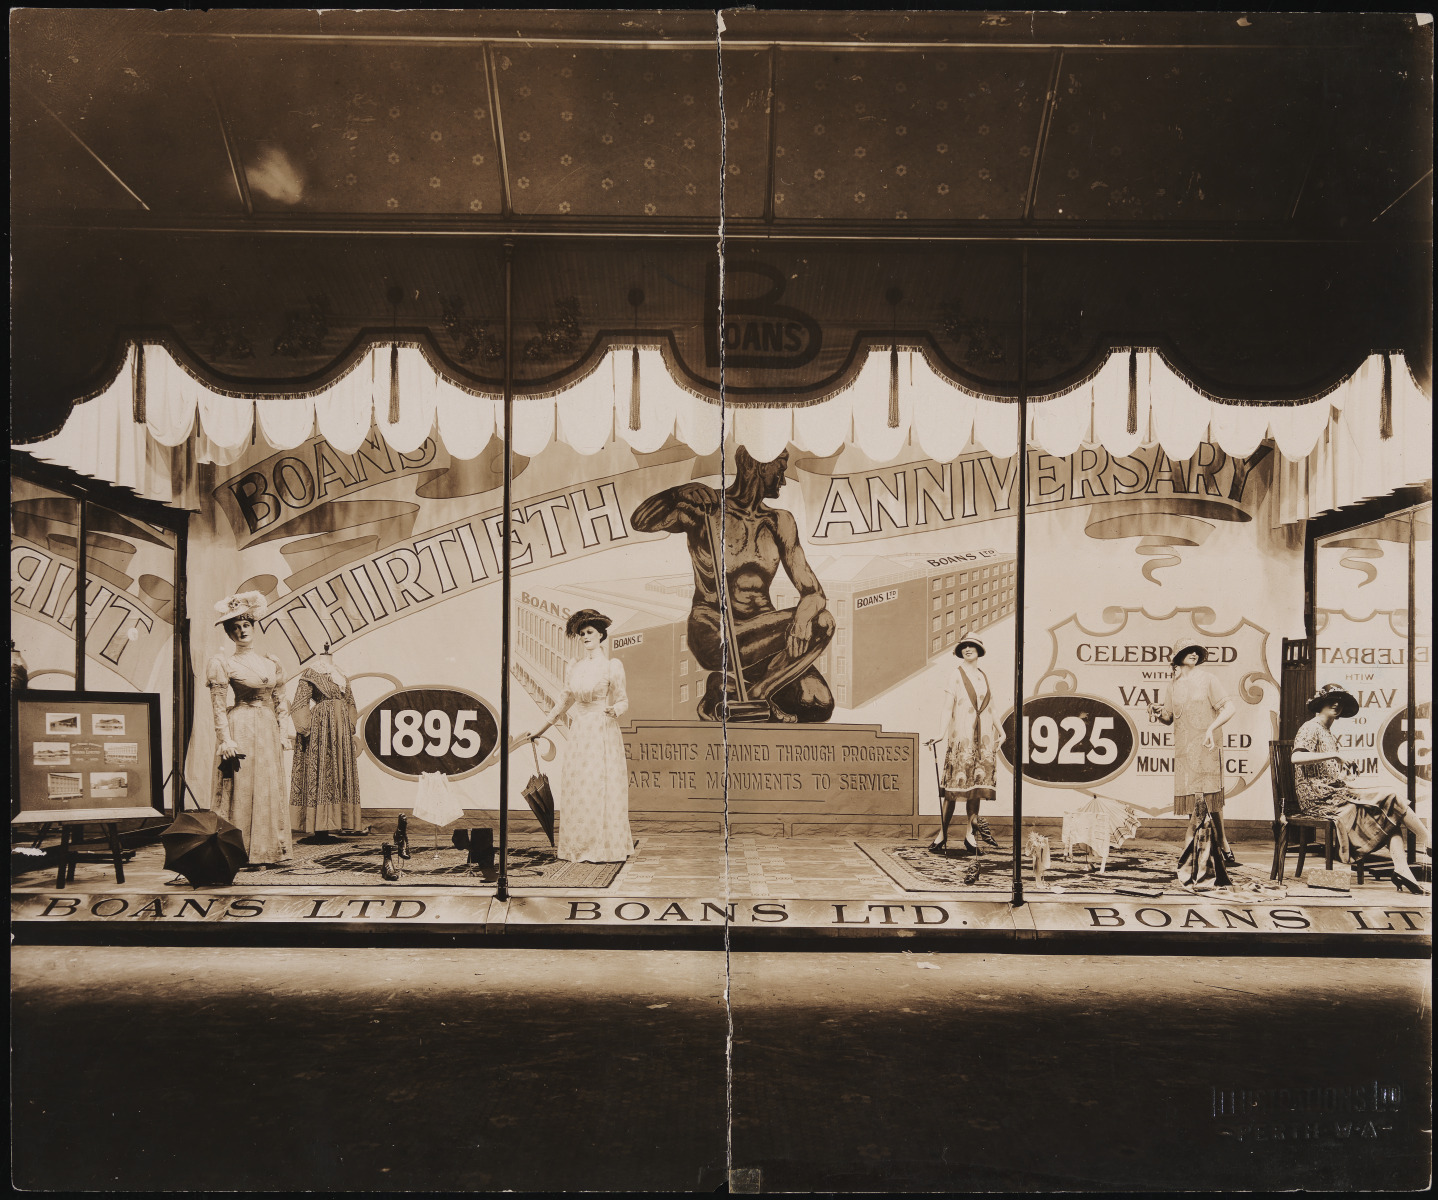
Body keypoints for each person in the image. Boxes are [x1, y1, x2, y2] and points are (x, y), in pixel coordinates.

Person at [632, 447, 835, 723]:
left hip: (761, 639)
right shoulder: (706, 509)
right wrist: (676, 494)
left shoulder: (780, 522)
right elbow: (641, 522)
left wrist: (800, 621)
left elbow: (813, 592)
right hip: (715, 631)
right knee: (823, 623)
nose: (784, 480)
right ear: (761, 465)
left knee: (817, 702)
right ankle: (755, 696)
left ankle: (742, 692)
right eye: (781, 468)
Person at [1292, 683, 1431, 894]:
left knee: (1389, 811)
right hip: (1318, 800)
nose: (1337, 703)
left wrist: (1343, 772)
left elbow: (1325, 770)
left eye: (1341, 701)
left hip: (1333, 794)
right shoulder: (1311, 727)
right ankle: (1429, 840)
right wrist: (1336, 756)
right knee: (1391, 797)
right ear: (1320, 704)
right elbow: (1296, 758)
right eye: (1331, 699)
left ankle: (1402, 869)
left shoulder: (1327, 732)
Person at [528, 609, 634, 863]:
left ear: (601, 635)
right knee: (579, 787)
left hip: (602, 730)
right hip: (580, 733)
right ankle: (579, 846)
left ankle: (603, 846)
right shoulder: (574, 667)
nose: (585, 637)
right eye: (582, 633)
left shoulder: (611, 666)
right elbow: (564, 702)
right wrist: (541, 729)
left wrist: (614, 710)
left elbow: (623, 700)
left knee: (599, 785)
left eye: (590, 632)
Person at [207, 591, 294, 867]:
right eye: (235, 628)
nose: (242, 631)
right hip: (241, 725)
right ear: (230, 635)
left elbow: (280, 699)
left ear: (253, 627)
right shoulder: (224, 663)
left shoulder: (271, 662)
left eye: (245, 625)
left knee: (268, 785)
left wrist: (282, 731)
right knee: (242, 786)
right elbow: (219, 706)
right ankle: (238, 850)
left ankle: (269, 849)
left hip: (266, 727)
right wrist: (226, 739)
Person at [1149, 644, 1238, 868]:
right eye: (1189, 650)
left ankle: (1188, 855)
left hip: (1207, 746)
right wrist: (1157, 712)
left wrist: (1211, 728)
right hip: (1184, 751)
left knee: (1205, 798)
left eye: (1197, 651)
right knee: (1208, 801)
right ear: (1177, 656)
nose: (1195, 654)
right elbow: (1169, 717)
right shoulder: (1172, 685)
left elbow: (1229, 708)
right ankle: (1224, 846)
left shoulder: (1208, 679)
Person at [927, 635, 1005, 857]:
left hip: (984, 739)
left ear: (980, 650)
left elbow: (992, 708)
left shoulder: (983, 677)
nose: (968, 649)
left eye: (972, 646)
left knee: (975, 789)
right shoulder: (955, 675)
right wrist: (941, 733)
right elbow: (946, 707)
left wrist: (1002, 730)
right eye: (964, 647)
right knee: (954, 788)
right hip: (962, 736)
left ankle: (970, 835)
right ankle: (942, 834)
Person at [289, 642, 365, 837]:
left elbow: (350, 702)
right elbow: (299, 702)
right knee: (322, 770)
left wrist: (349, 725)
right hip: (322, 727)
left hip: (341, 730)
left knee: (340, 772)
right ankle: (318, 825)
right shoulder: (311, 672)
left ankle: (336, 823)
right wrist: (306, 729)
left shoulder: (341, 674)